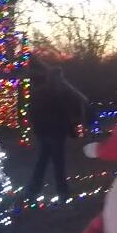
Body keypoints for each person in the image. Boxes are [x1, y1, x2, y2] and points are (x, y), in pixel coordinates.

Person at [24, 61, 85, 199]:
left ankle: (34, 189)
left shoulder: (41, 92)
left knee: (43, 161)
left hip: (45, 131)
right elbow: (64, 112)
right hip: (54, 132)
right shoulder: (56, 93)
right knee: (57, 162)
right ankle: (61, 191)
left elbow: (34, 112)